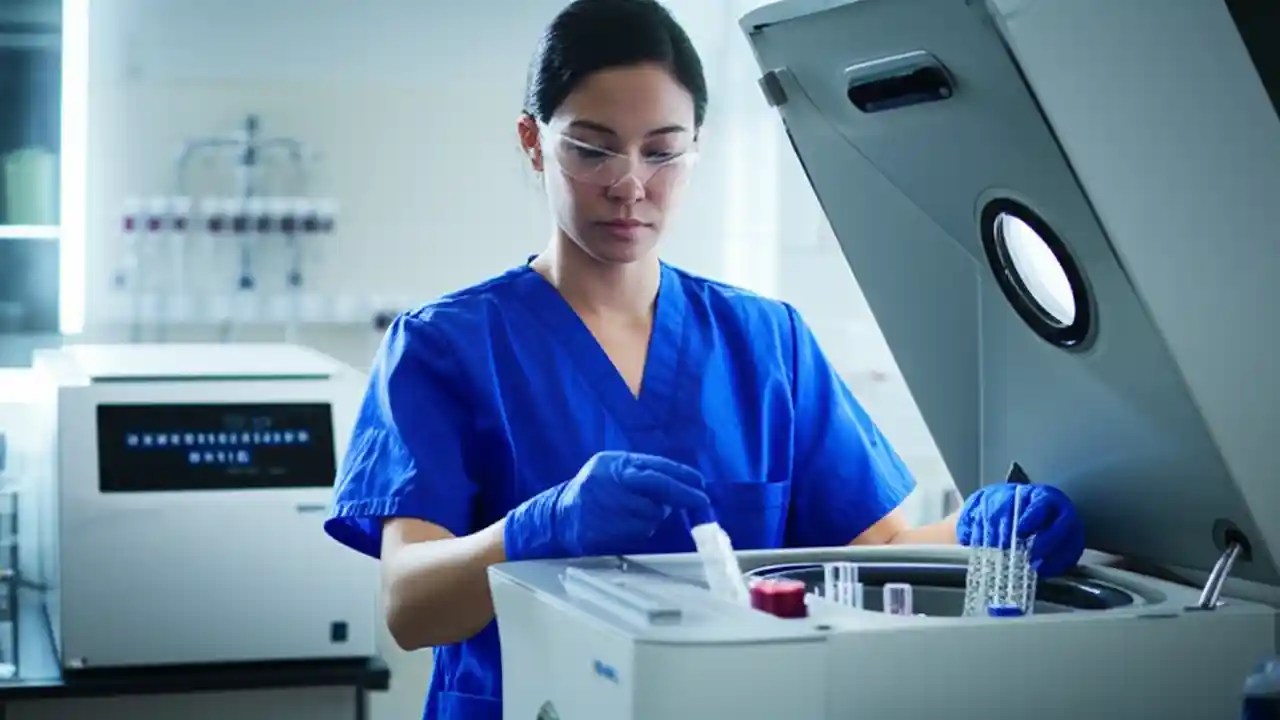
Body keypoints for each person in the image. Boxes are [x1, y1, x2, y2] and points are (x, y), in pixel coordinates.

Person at [323, 1, 1086, 718]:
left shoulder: (767, 342)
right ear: (533, 141)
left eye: (662, 153)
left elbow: (877, 551)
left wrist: (985, 531)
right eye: (592, 150)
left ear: (697, 150)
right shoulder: (445, 347)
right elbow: (411, 608)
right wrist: (536, 529)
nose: (630, 185)